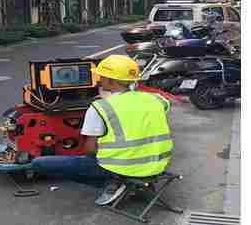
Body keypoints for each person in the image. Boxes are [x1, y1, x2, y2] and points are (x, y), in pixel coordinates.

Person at [33, 55, 173, 205]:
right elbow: (149, 109)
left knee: (40, 163)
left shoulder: (100, 107)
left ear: (110, 81)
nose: (98, 80)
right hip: (157, 166)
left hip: (121, 169)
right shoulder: (157, 100)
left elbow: (90, 150)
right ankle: (131, 182)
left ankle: (115, 182)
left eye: (101, 77)